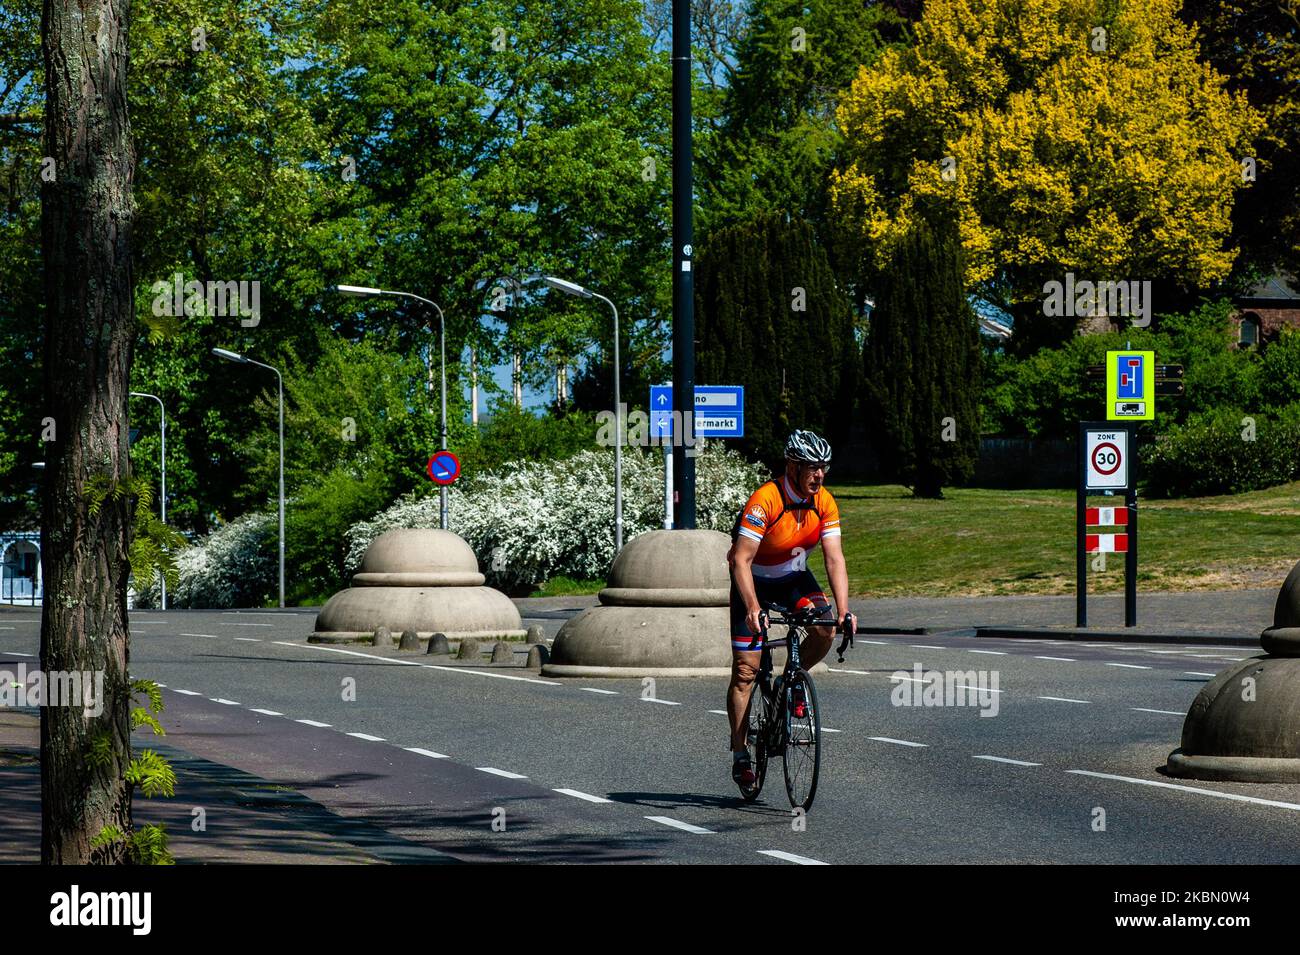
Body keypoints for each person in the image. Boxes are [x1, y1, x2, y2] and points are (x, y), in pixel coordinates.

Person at [725, 429, 851, 790]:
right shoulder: (765, 500)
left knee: (825, 627)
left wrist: (843, 610)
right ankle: (740, 753)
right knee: (746, 672)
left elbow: (834, 558)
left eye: (823, 467)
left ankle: (789, 681)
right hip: (753, 581)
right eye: (811, 467)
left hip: (794, 578)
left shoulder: (824, 501)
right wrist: (752, 607)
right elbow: (741, 561)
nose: (819, 475)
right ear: (792, 467)